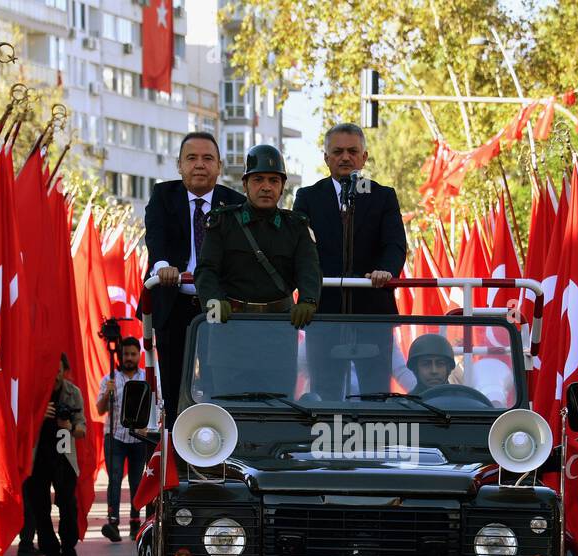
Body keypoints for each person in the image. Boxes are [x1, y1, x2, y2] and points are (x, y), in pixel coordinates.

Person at [194, 144, 321, 398]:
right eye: (258, 179)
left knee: (278, 412)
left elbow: (309, 269)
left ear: (282, 186)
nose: (266, 187)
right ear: (245, 184)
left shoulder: (295, 226)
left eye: (274, 180)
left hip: (278, 333)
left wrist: (308, 300)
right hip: (230, 331)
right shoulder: (223, 222)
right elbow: (206, 270)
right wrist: (213, 301)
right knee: (230, 412)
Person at [294, 123, 406, 399]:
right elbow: (299, 248)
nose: (346, 157)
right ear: (326, 158)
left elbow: (395, 244)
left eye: (353, 151)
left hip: (372, 311)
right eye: (338, 151)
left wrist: (386, 271)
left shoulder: (383, 196)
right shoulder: (308, 197)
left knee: (375, 394)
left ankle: (375, 442)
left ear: (364, 157)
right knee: (326, 393)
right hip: (324, 312)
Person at [141, 132, 245, 424]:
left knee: (218, 387)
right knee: (174, 387)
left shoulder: (235, 203)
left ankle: (218, 452)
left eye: (207, 158)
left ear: (219, 166)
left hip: (217, 307)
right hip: (174, 302)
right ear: (179, 165)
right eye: (192, 158)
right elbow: (156, 236)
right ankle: (175, 450)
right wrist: (163, 267)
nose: (200, 165)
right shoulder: (163, 196)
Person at [24, 354, 86, 556]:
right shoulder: (32, 392)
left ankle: (69, 548)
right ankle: (52, 555)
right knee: (40, 509)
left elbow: (82, 429)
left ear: (65, 370)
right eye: (51, 370)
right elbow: (19, 424)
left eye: (59, 370)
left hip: (63, 457)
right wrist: (38, 416)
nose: (56, 375)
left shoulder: (73, 393)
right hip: (36, 458)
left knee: (68, 506)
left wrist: (67, 425)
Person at [97, 336, 150, 542]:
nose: (128, 358)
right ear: (120, 355)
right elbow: (100, 410)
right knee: (115, 479)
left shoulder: (147, 377)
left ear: (139, 356)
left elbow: (155, 405)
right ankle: (113, 522)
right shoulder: (109, 379)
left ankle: (135, 522)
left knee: (137, 481)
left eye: (132, 354)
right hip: (115, 437)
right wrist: (106, 394)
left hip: (138, 438)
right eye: (125, 354)